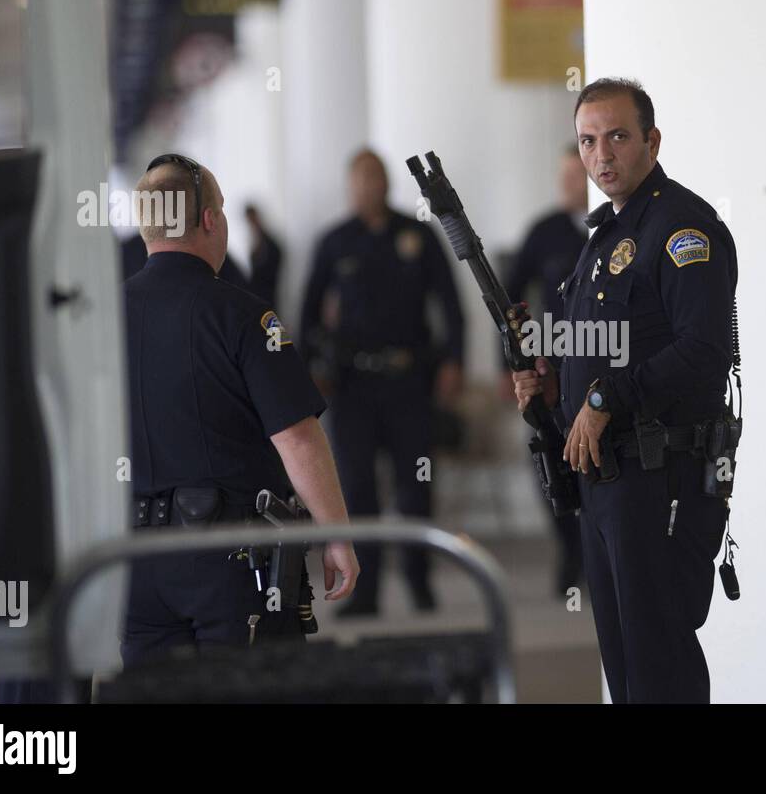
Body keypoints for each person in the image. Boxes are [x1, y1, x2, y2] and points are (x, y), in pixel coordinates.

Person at [513, 78, 738, 703]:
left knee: (659, 664)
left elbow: (704, 350)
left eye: (617, 136)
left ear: (651, 140)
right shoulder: (602, 236)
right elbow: (605, 347)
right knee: (626, 671)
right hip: (608, 481)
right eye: (588, 141)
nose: (602, 155)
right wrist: (554, 385)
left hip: (661, 477)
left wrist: (606, 399)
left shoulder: (681, 228)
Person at [123, 154, 359, 666]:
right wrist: (335, 536)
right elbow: (296, 437)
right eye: (222, 209)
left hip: (133, 561)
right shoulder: (245, 316)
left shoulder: (99, 321)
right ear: (209, 220)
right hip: (229, 559)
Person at [300, 149, 465, 615]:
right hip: (353, 387)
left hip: (409, 382)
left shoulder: (417, 236)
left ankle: (419, 581)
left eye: (376, 179)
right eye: (361, 181)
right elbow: (309, 313)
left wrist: (453, 361)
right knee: (357, 489)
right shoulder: (334, 242)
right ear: (350, 187)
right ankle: (365, 593)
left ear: (387, 184)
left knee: (416, 486)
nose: (369, 188)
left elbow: (450, 305)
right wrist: (312, 370)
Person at [502, 144, 589, 596]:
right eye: (564, 176)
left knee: (593, 466)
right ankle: (571, 553)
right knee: (550, 465)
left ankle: (592, 556)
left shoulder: (611, 230)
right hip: (550, 369)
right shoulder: (545, 231)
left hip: (601, 367)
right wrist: (512, 363)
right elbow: (509, 300)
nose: (568, 185)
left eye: (576, 176)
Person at [245, 203, 284, 305]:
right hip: (259, 292)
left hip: (267, 292)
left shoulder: (266, 240)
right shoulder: (256, 237)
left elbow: (276, 255)